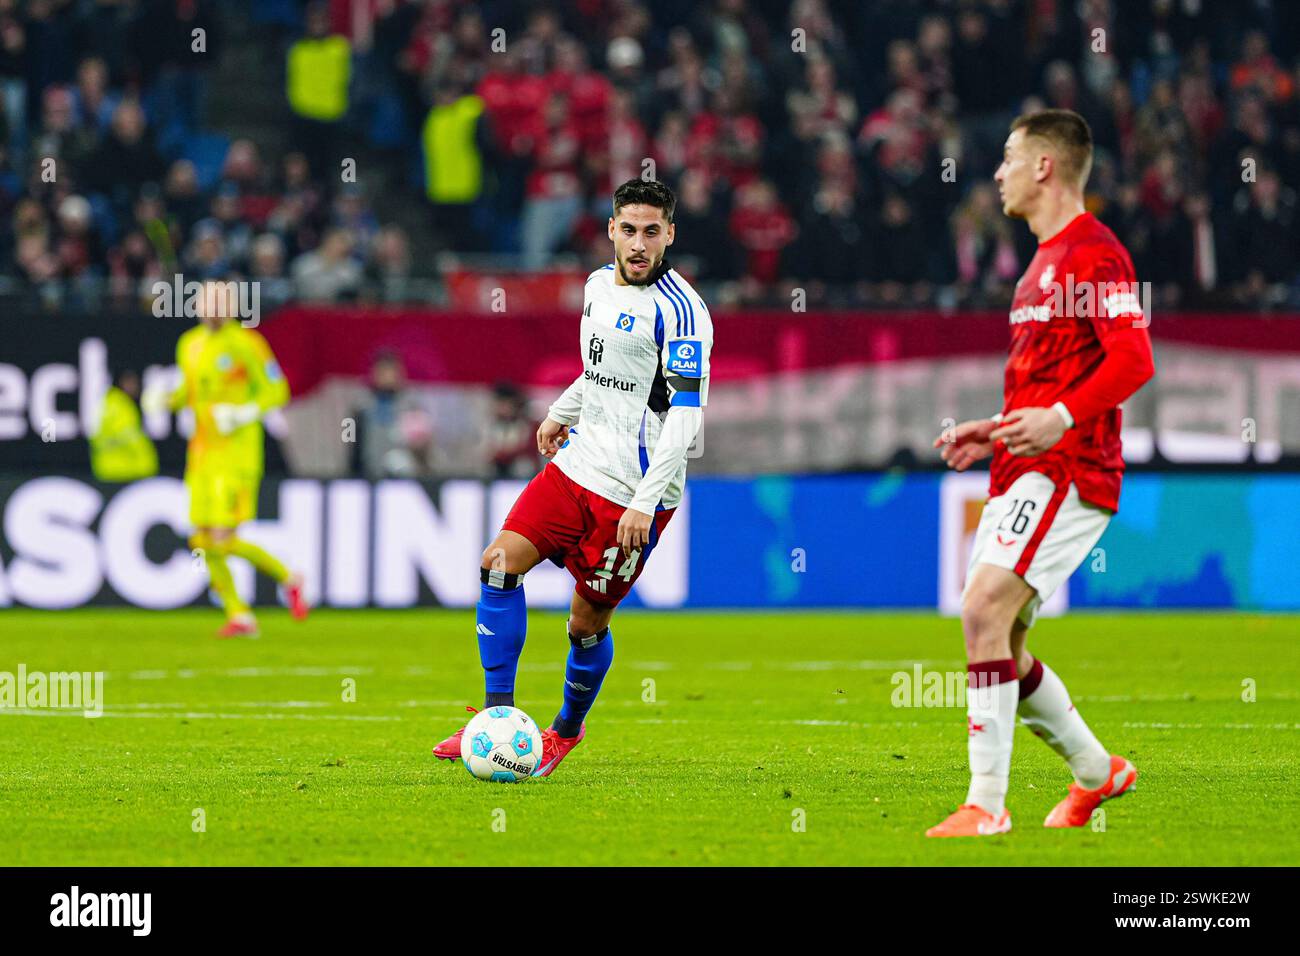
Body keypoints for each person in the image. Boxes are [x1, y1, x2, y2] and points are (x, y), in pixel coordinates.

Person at [432, 179, 713, 776]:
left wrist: (643, 502)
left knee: (585, 623)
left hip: (631, 494)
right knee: (497, 564)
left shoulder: (683, 314)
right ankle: (497, 720)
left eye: (652, 232)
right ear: (611, 228)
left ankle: (564, 729)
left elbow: (685, 419)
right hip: (577, 466)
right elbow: (598, 371)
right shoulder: (594, 287)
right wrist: (563, 409)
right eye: (629, 230)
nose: (639, 245)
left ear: (670, 235)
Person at [927, 110, 1155, 837]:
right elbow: (1048, 384)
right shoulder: (1037, 265)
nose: (997, 174)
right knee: (1004, 639)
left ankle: (987, 805)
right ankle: (1098, 773)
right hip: (1023, 465)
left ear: (1045, 167)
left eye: (1007, 159)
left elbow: (1133, 359)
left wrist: (1061, 418)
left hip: (1071, 468)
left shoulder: (1095, 253)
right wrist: (991, 431)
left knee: (981, 611)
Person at [146, 281, 309, 638]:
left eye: (220, 302)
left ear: (233, 306)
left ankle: (288, 577)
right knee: (200, 540)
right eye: (207, 302)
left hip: (237, 455)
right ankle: (240, 614)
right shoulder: (189, 344)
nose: (213, 308)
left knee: (220, 538)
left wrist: (245, 412)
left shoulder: (247, 344)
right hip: (201, 454)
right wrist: (164, 401)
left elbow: (276, 389)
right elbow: (190, 393)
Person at [90, 369, 158, 482]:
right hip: (124, 472)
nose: (135, 387)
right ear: (122, 383)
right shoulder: (122, 407)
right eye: (131, 383)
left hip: (106, 470)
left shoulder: (107, 403)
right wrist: (148, 467)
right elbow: (133, 440)